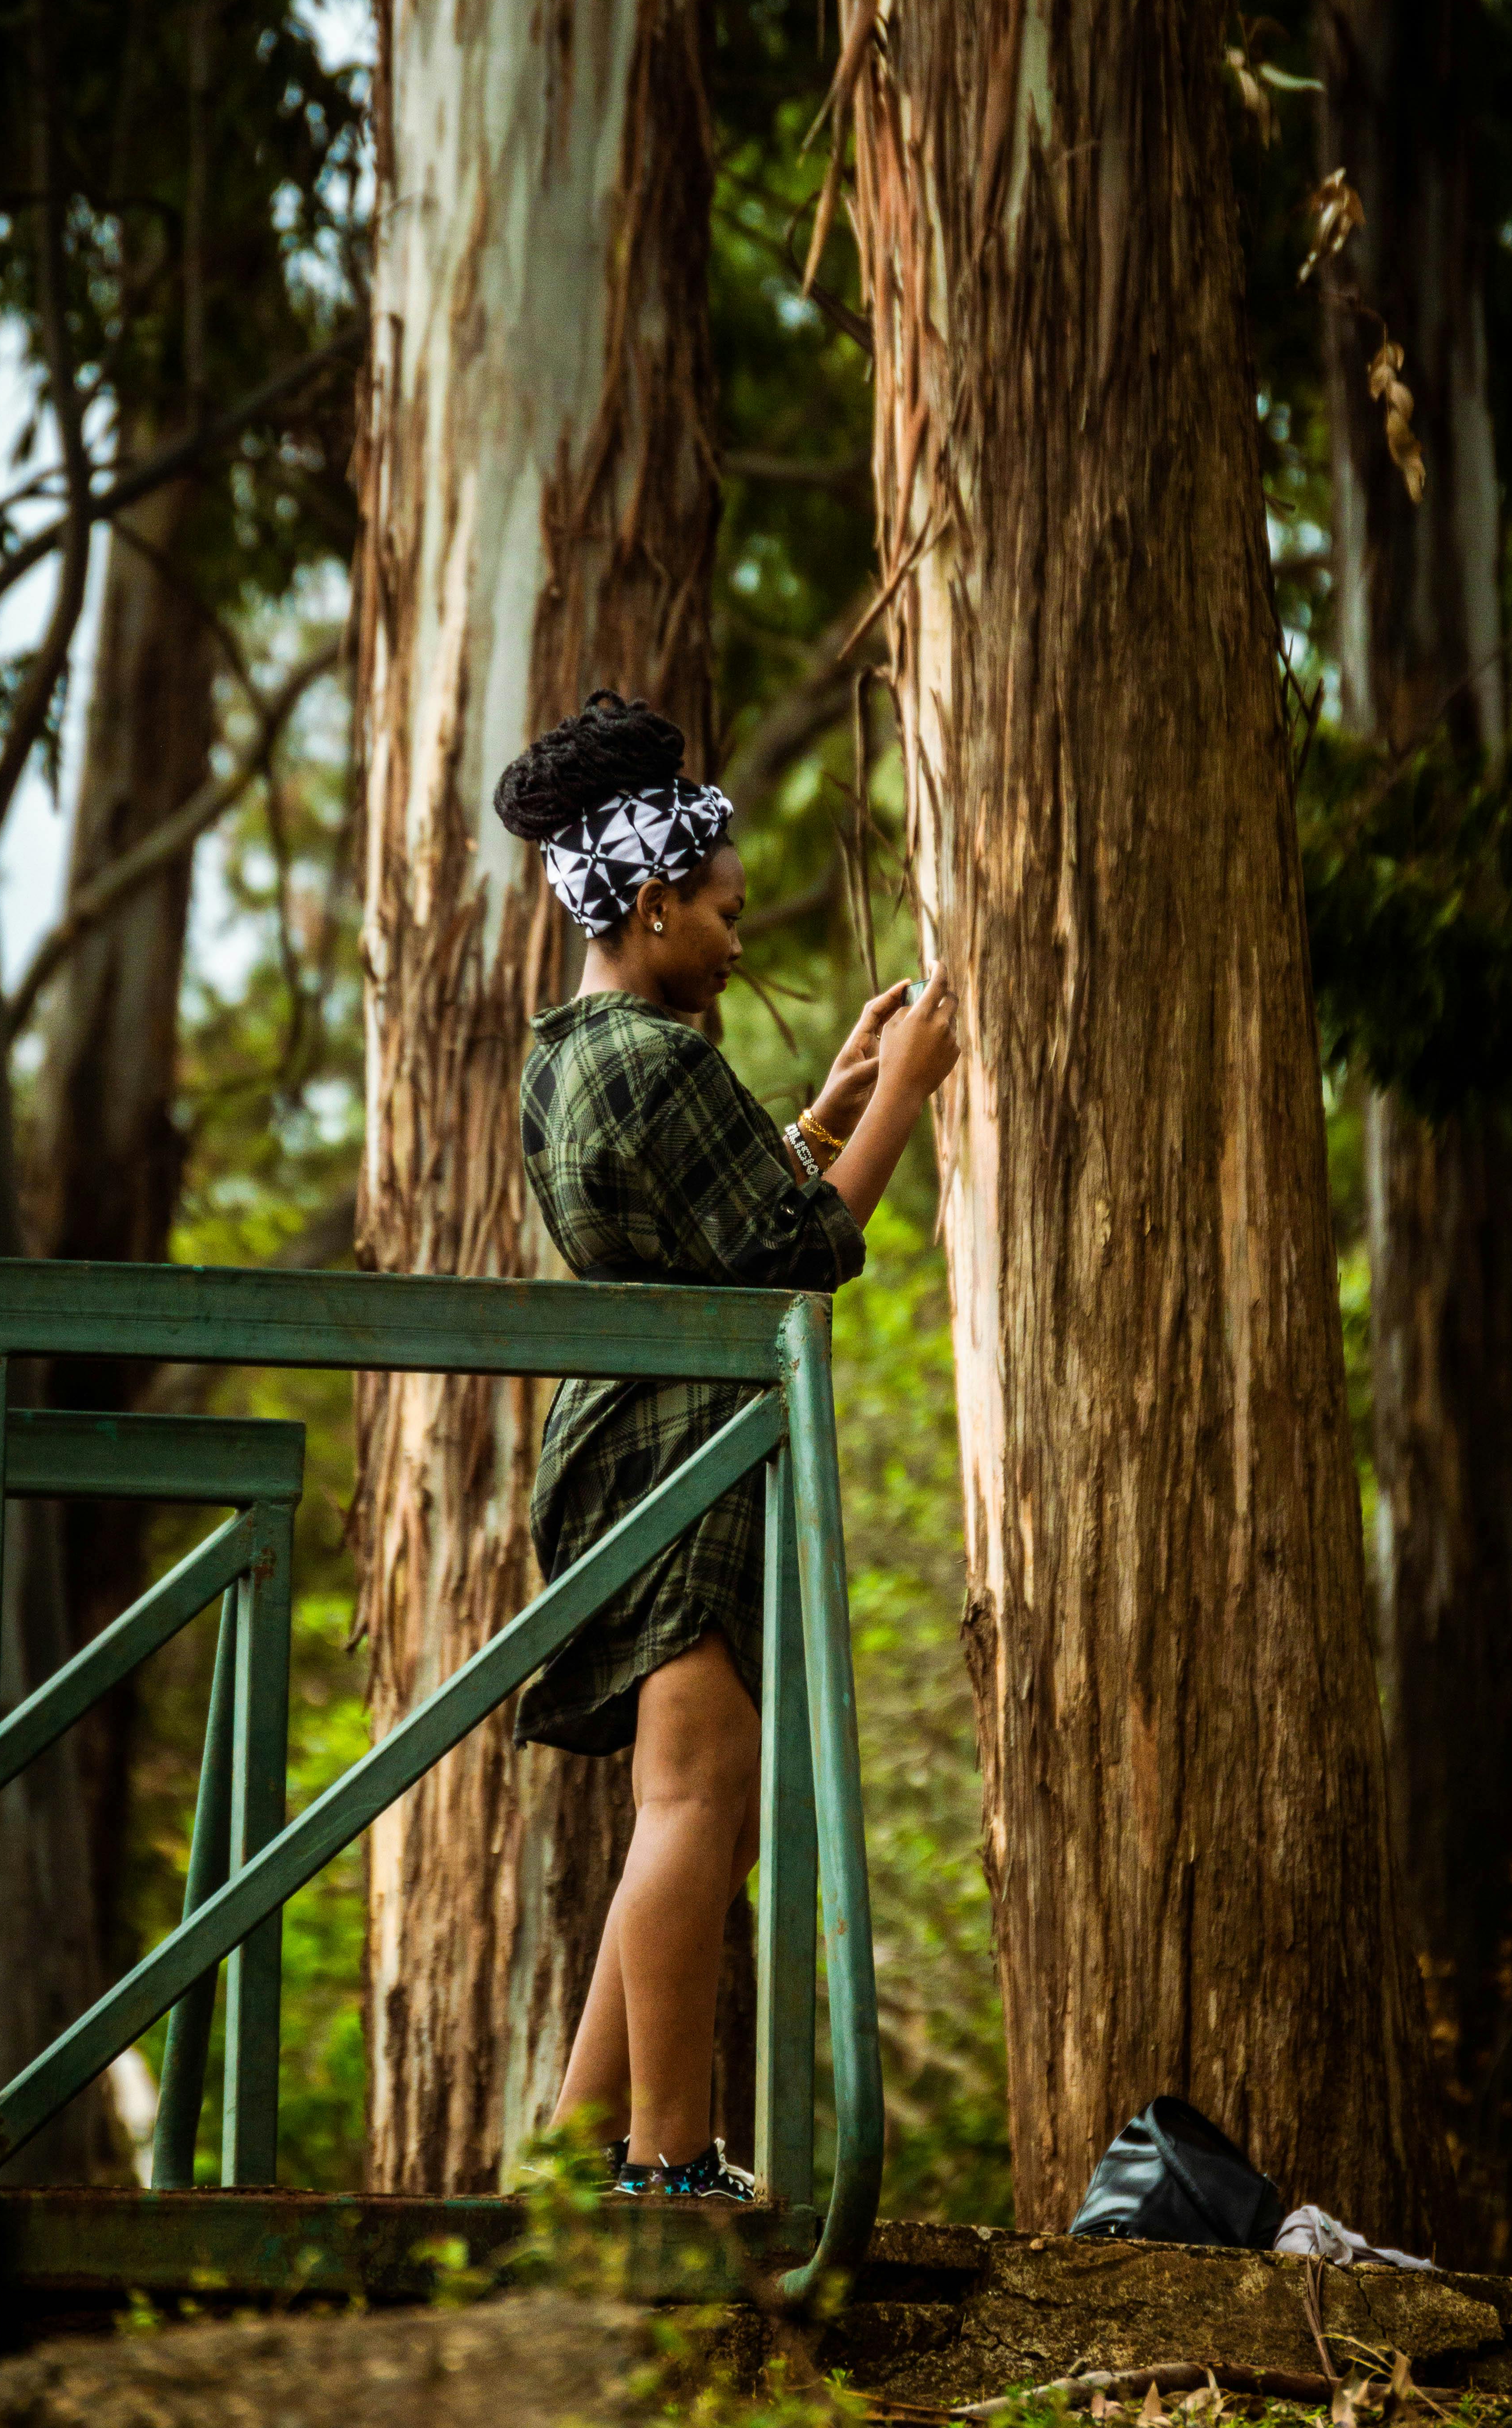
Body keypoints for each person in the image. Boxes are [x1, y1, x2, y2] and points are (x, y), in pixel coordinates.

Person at [493, 687, 960, 2204]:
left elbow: (707, 1223)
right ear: (652, 902)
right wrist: (906, 1096)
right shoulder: (664, 1060)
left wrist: (824, 1111)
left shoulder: (568, 1055)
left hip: (617, 1442)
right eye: (725, 913)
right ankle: (670, 2162)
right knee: (698, 1804)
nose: (738, 941)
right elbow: (795, 1256)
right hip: (680, 1451)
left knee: (695, 1811)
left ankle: (577, 2153)